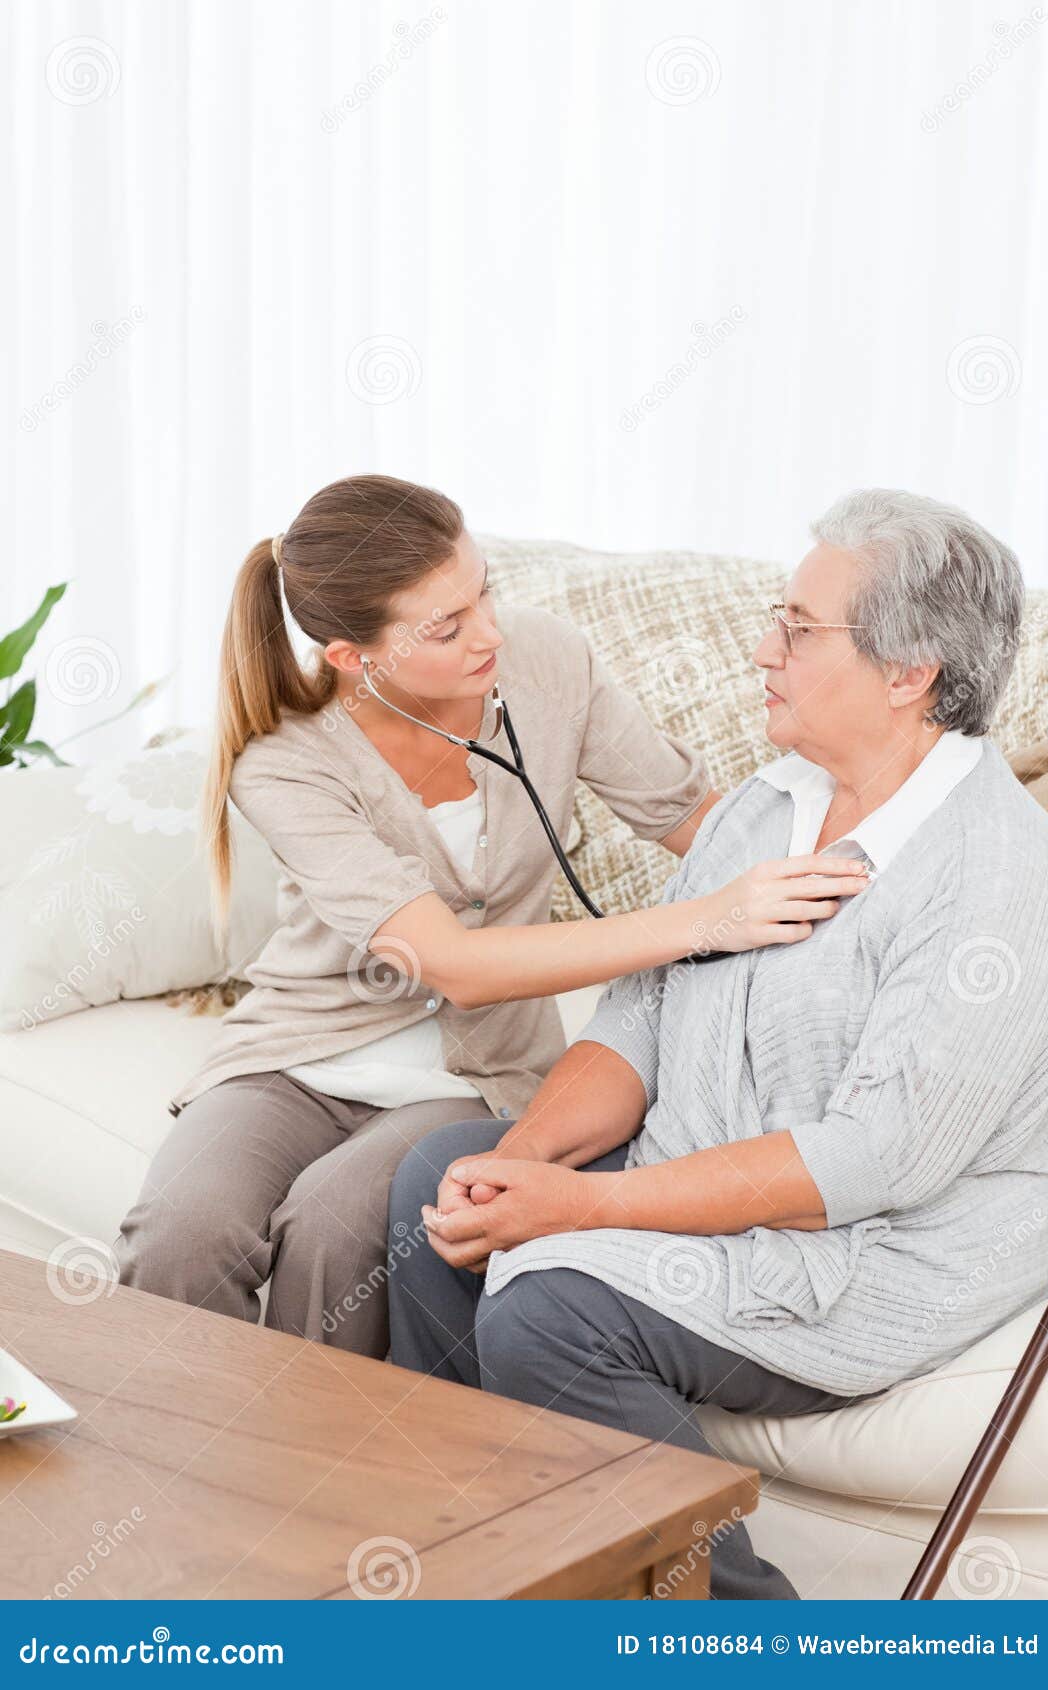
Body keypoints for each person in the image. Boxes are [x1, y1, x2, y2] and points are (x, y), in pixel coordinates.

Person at [388, 487, 1048, 1600]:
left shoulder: (995, 883)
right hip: (722, 1171)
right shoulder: (772, 801)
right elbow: (640, 1018)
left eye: (797, 630)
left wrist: (579, 1207)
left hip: (871, 1252)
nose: (763, 649)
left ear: (910, 672)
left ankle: (747, 1630)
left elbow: (867, 1163)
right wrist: (532, 1162)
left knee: (548, 1316)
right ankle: (495, 1582)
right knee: (438, 1185)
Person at [114, 473, 864, 1356]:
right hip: (299, 1055)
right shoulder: (286, 761)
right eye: (447, 626)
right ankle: (179, 1477)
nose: (491, 633)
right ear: (354, 656)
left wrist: (845, 875)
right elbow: (449, 961)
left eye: (484, 592)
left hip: (481, 1073)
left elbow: (687, 816)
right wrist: (708, 919)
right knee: (180, 1231)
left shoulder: (547, 663)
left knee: (333, 1228)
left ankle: (306, 1481)